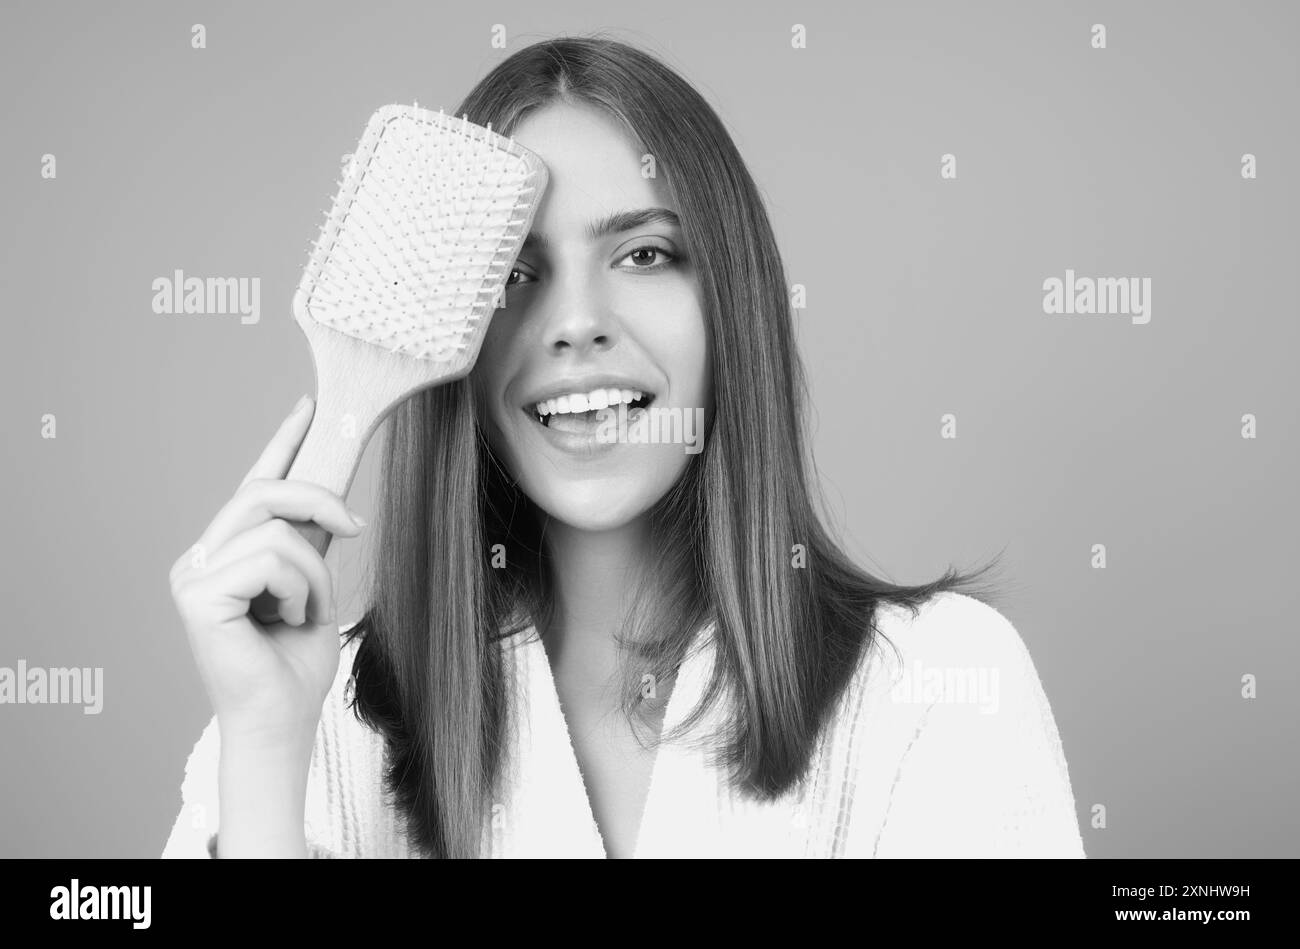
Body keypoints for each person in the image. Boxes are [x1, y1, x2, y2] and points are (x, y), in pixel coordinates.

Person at [163, 36, 1085, 859]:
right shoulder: (308, 722)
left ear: (732, 302)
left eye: (644, 254)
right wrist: (264, 745)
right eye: (516, 273)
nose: (574, 324)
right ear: (453, 340)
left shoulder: (941, 687)